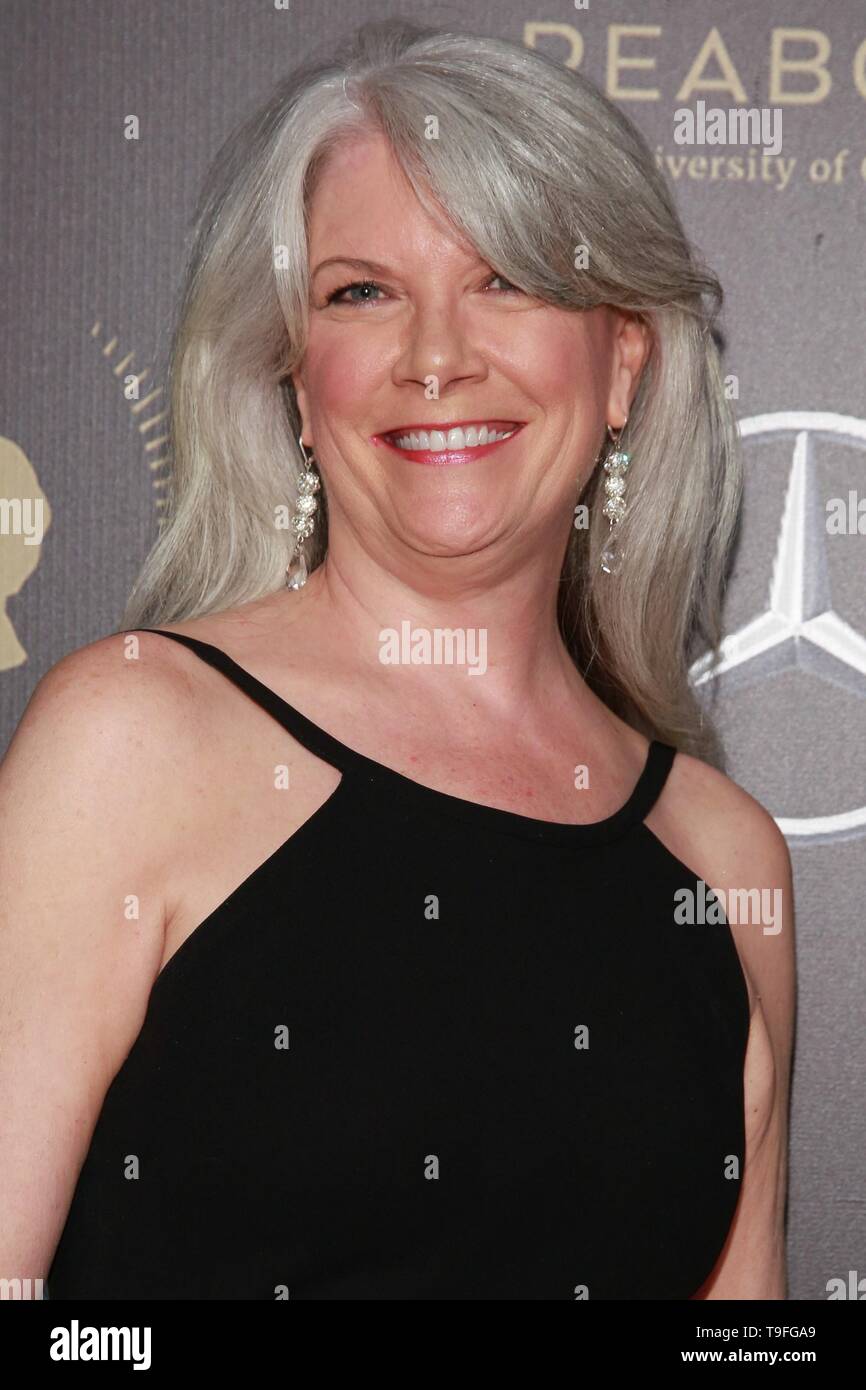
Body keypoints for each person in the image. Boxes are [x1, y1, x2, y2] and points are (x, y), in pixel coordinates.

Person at [0, 19, 794, 1299]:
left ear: (622, 362)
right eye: (360, 292)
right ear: (296, 382)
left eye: (506, 280)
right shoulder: (134, 738)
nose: (436, 357)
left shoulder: (719, 856)